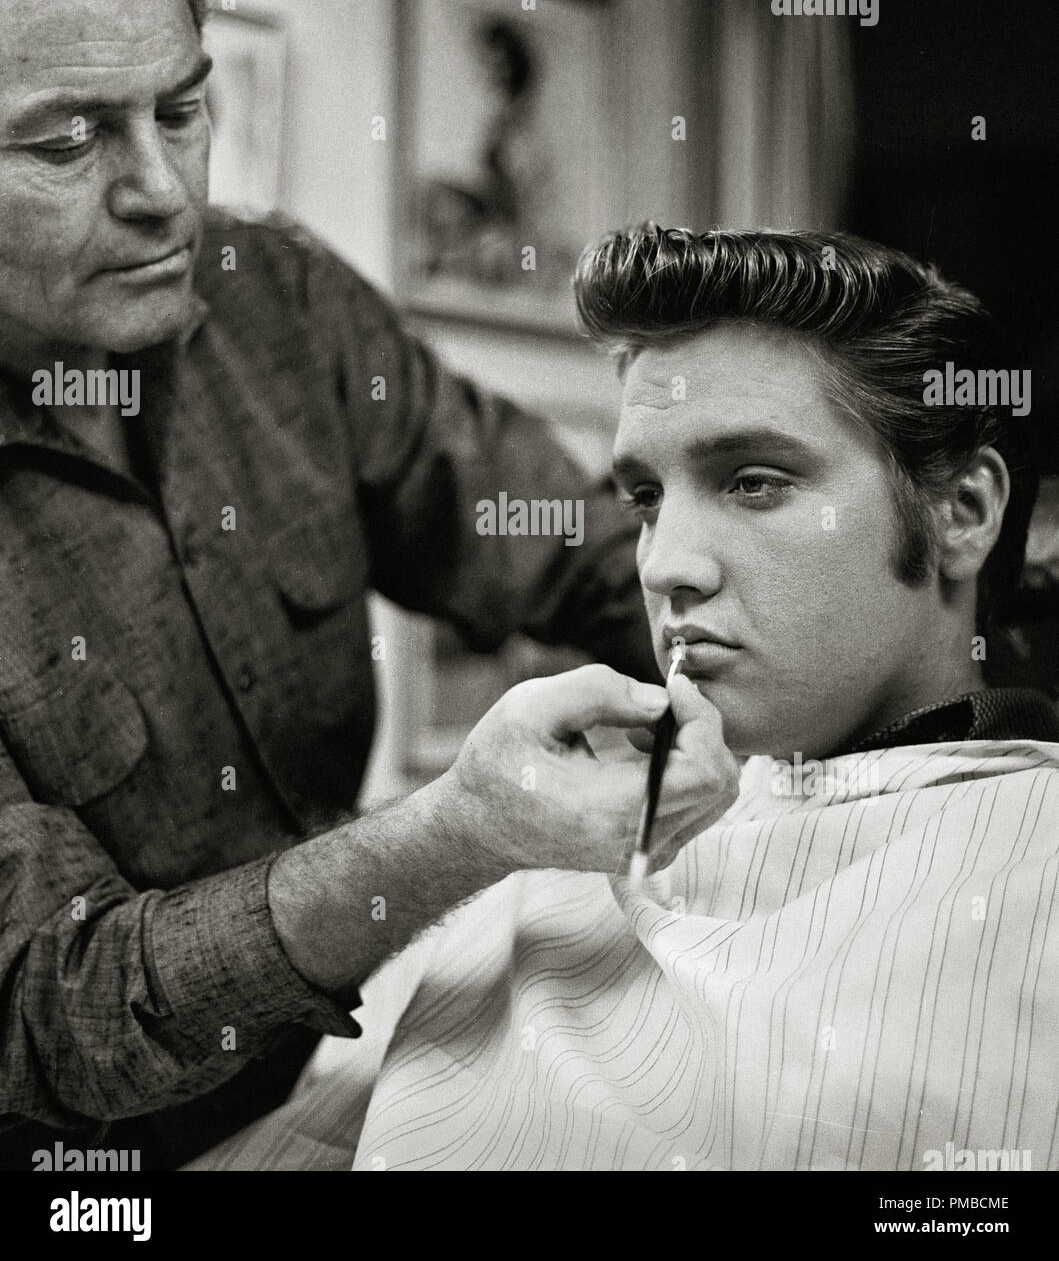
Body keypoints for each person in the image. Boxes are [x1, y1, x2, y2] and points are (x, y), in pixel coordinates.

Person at [0, 0, 732, 1171]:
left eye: (182, 105)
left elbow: (575, 543)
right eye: (66, 141)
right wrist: (452, 834)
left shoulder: (275, 300)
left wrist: (774, 669)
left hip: (344, 1058)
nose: (165, 191)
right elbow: (57, 1005)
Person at [192, 225, 1059, 1171]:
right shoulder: (528, 857)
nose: (664, 566)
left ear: (962, 512)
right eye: (646, 498)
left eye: (754, 483)